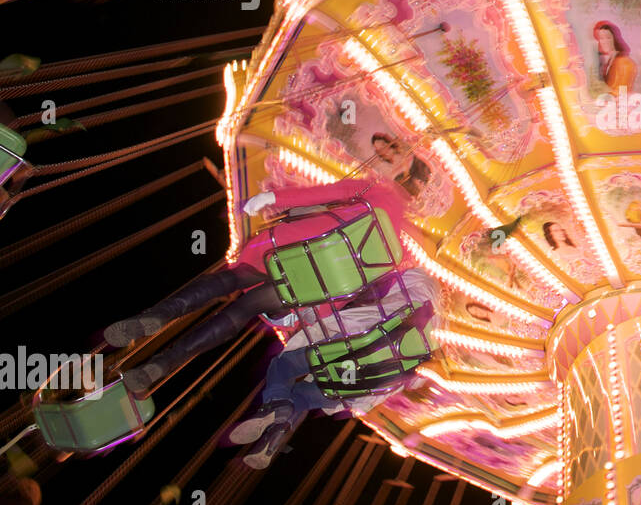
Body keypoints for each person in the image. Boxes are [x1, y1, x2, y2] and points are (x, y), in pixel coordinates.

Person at [106, 176, 413, 397]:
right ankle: (162, 365)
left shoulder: (375, 186)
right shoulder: (396, 252)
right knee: (244, 309)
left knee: (229, 280)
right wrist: (311, 311)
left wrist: (273, 198)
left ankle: (159, 316)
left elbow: (322, 193)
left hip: (292, 249)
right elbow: (350, 289)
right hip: (306, 290)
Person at [230, 267, 439, 468]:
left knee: (283, 365)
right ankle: (277, 431)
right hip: (361, 384)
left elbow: (362, 295)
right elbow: (417, 379)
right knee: (303, 397)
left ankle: (275, 405)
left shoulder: (409, 287)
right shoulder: (437, 336)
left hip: (351, 346)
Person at [371, 132, 430, 198]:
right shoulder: (395, 177)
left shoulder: (413, 156)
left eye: (384, 144)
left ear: (389, 143)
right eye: (380, 149)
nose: (385, 150)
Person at [593, 21, 636, 95]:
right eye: (601, 38)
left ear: (616, 39)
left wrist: (603, 89)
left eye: (608, 38)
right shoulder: (610, 61)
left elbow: (623, 92)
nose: (604, 42)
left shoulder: (625, 63)